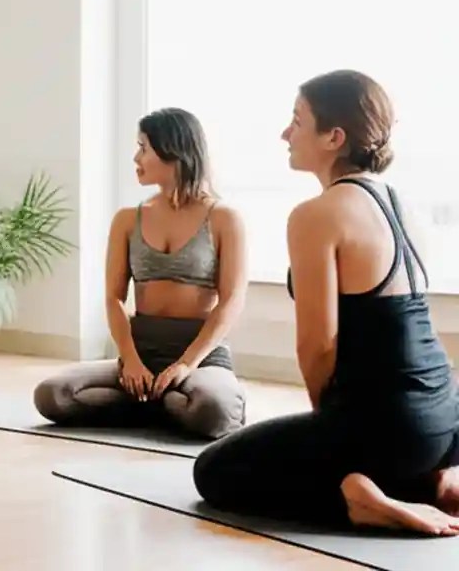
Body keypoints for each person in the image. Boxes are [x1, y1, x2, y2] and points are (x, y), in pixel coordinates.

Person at [193, 70, 459, 536]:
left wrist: (328, 441)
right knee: (357, 443)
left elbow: (317, 346)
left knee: (214, 471)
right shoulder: (401, 204)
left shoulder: (317, 215)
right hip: (446, 417)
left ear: (334, 137)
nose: (285, 134)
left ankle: (358, 498)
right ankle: (429, 480)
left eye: (297, 121)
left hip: (389, 425)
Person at [33, 107, 248, 439]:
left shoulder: (224, 218)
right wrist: (130, 360)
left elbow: (231, 301)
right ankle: (161, 400)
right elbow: (114, 298)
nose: (136, 157)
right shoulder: (127, 219)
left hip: (200, 358)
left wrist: (186, 365)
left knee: (212, 409)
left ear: (172, 150)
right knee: (52, 395)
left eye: (143, 148)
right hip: (141, 352)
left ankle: (163, 400)